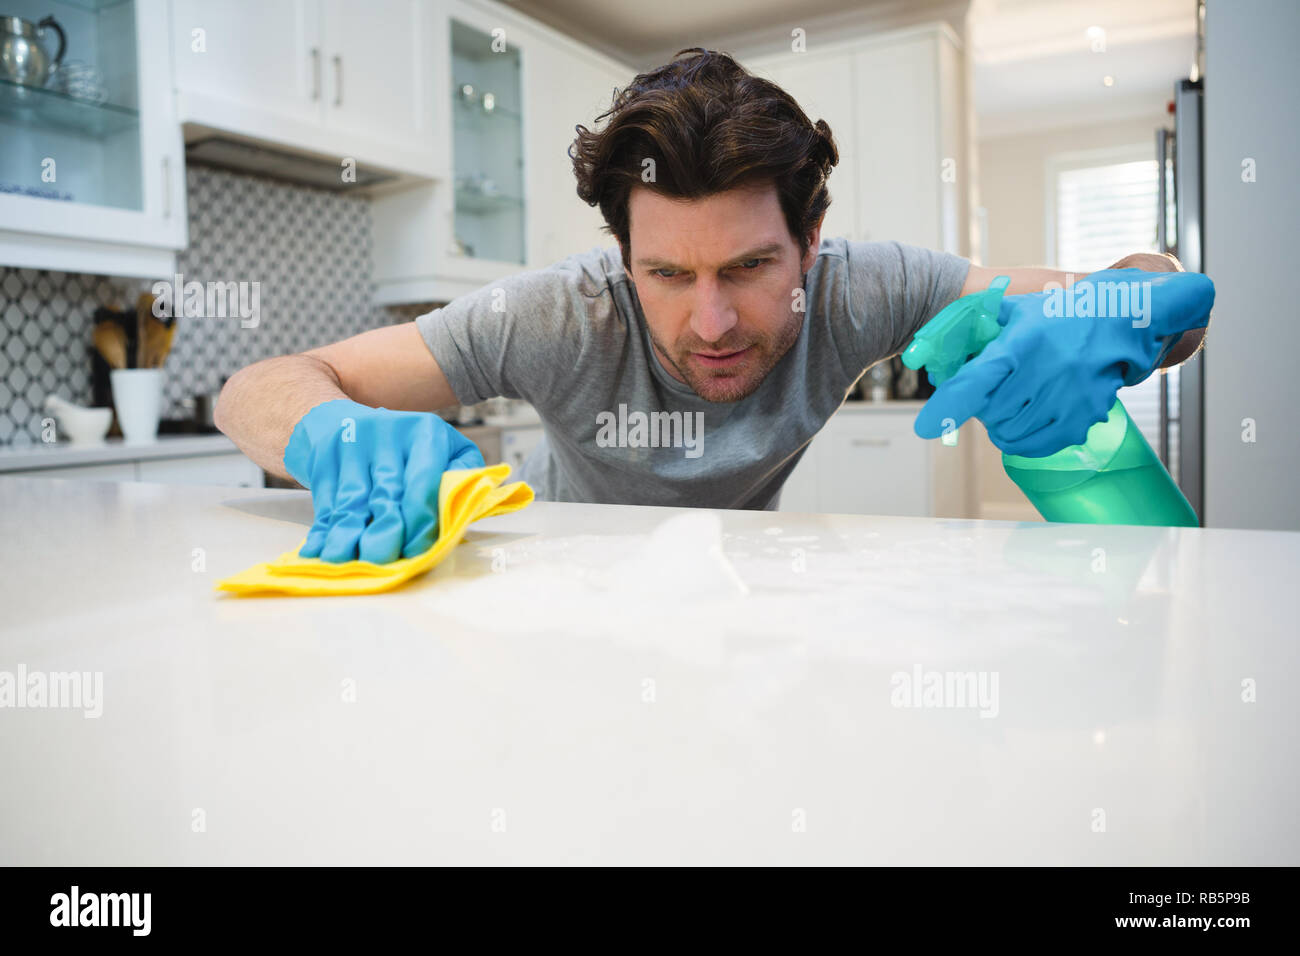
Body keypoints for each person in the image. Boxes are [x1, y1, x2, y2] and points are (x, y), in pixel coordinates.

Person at [216, 48, 1213, 563]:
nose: (710, 322)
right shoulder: (554, 313)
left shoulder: (864, 282)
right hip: (558, 587)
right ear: (621, 254)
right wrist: (328, 430)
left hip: (743, 595)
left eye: (746, 268)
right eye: (666, 274)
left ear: (808, 245)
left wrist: (1130, 308)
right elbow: (258, 387)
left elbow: (1153, 293)